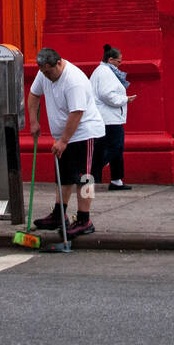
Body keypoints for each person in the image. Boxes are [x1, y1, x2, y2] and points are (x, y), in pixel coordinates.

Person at [26, 47, 106, 239]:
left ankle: (84, 220)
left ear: (59, 63)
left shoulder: (73, 81)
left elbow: (77, 112)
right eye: (43, 72)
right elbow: (34, 94)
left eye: (49, 72)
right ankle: (58, 214)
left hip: (85, 133)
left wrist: (63, 141)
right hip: (65, 134)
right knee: (63, 175)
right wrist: (34, 121)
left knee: (84, 178)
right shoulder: (43, 73)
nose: (47, 76)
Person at [90, 44, 136, 191]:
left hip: (109, 117)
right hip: (109, 118)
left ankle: (116, 180)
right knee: (113, 148)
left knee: (111, 148)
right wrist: (125, 99)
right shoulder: (105, 73)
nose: (120, 64)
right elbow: (107, 94)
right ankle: (91, 174)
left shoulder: (104, 71)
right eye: (119, 61)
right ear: (111, 60)